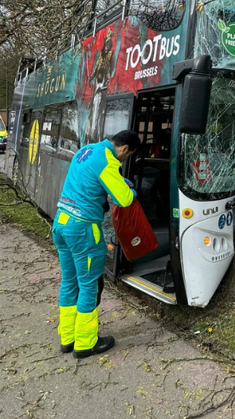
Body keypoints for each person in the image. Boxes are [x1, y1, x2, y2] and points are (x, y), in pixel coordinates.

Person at [52, 130, 140, 359]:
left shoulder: (87, 150)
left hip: (61, 223)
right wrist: (130, 189)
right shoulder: (108, 160)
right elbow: (124, 199)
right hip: (83, 229)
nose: (124, 160)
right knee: (89, 286)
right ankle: (85, 344)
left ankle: (67, 338)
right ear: (124, 149)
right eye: (127, 156)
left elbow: (90, 181)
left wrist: (117, 181)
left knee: (70, 282)